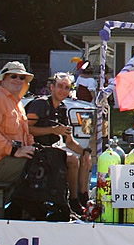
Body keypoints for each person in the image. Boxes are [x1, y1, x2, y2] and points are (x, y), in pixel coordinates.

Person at [25, 72, 93, 213]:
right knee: (73, 160)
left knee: (85, 158)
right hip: (36, 150)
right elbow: (27, 129)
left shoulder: (62, 109)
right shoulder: (40, 104)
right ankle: (72, 201)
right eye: (60, 86)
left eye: (67, 87)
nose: (63, 90)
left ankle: (83, 197)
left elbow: (69, 142)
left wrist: (85, 152)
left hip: (55, 150)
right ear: (52, 87)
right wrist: (53, 130)